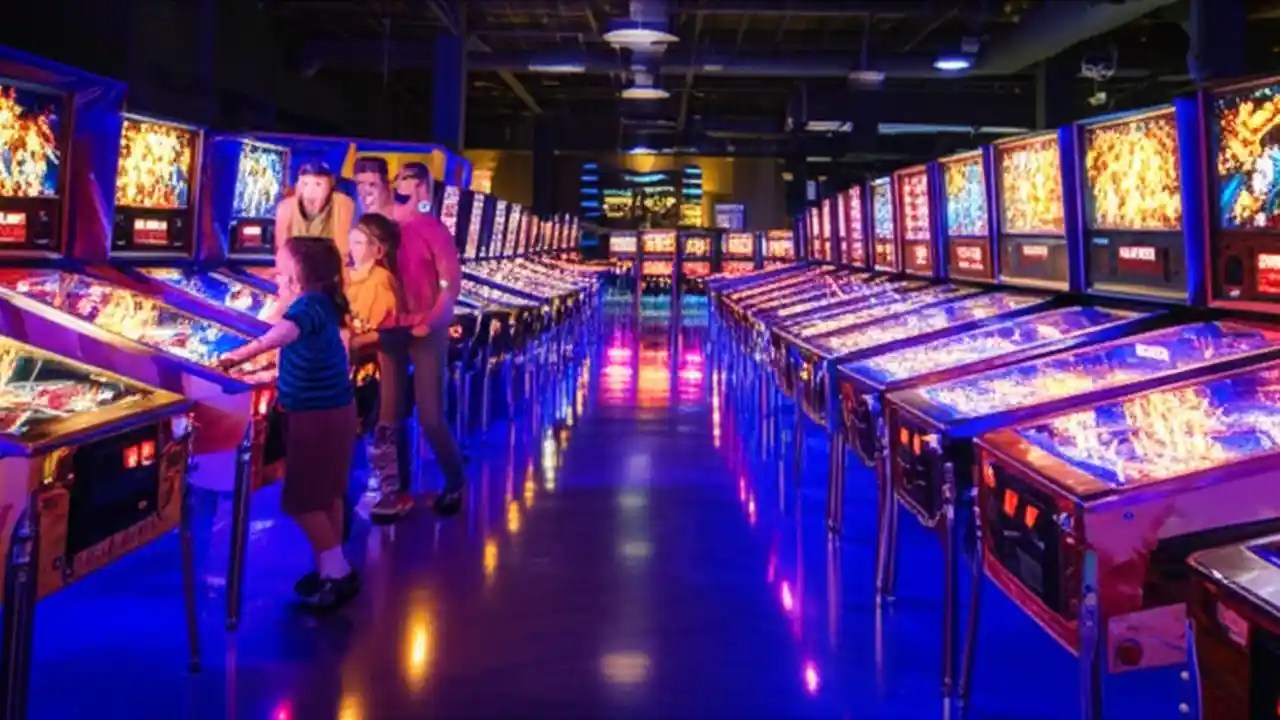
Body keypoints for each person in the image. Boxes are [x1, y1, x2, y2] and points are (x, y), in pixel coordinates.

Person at [218, 235, 360, 612]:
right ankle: (329, 568)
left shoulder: (308, 306)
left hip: (316, 415)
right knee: (327, 495)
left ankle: (339, 571)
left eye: (281, 267)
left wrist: (237, 356)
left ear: (299, 273)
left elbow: (283, 333)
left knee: (299, 501)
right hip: (336, 410)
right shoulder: (323, 301)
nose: (275, 272)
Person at [352, 156, 466, 519]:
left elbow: (450, 285)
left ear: (417, 186)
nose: (396, 186)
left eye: (403, 180)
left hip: (426, 328)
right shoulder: (379, 228)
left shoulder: (432, 228)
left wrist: (431, 321)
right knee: (387, 416)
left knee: (431, 414)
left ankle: (455, 481)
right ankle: (392, 490)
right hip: (390, 327)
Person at [273, 161, 356, 273]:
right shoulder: (286, 207)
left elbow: (343, 251)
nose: (311, 192)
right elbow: (282, 252)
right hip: (296, 271)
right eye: (305, 184)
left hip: (332, 272)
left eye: (318, 184)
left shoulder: (342, 204)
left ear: (330, 185)